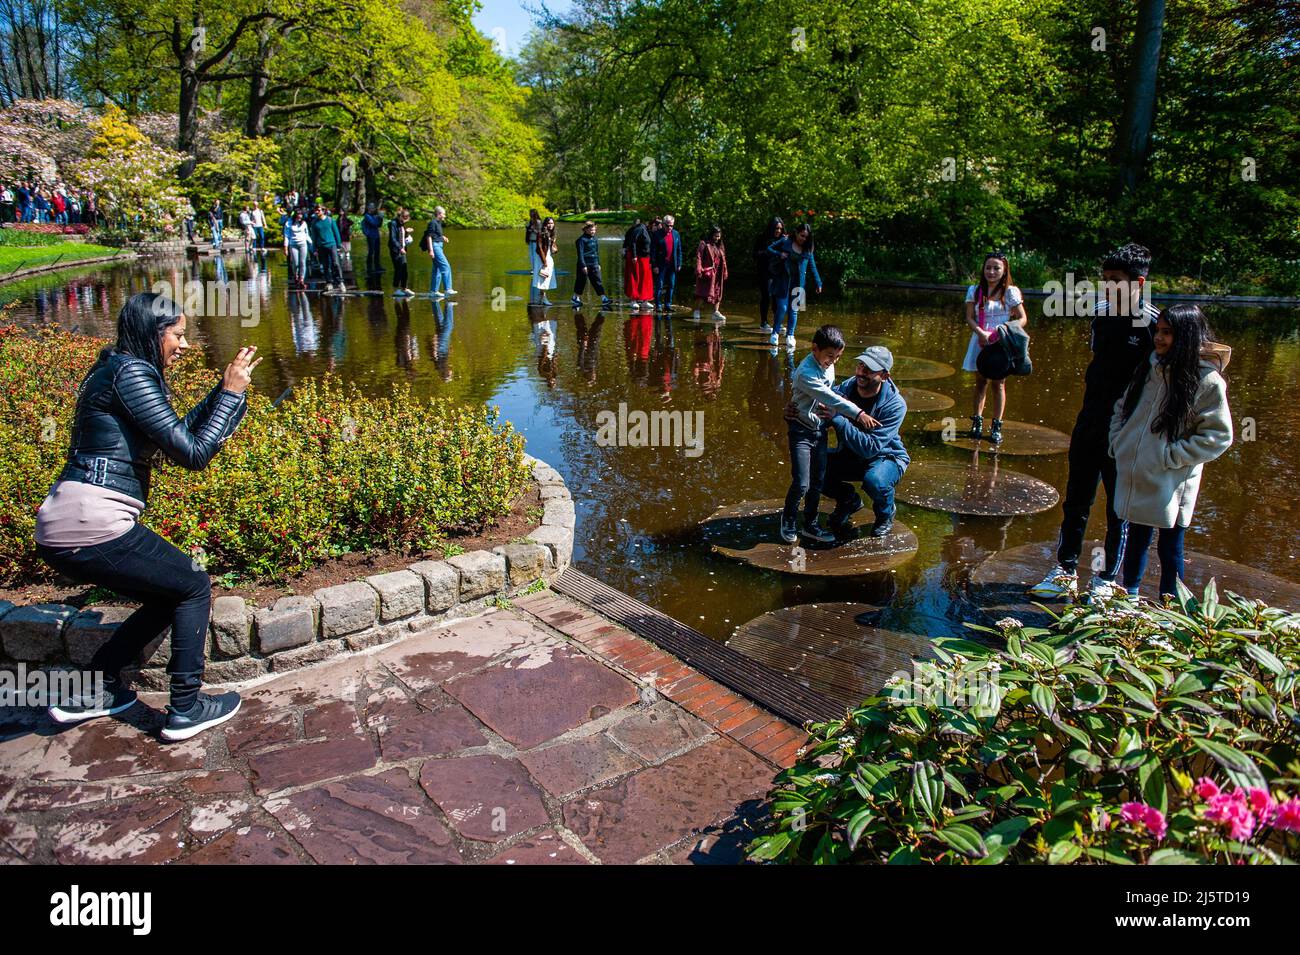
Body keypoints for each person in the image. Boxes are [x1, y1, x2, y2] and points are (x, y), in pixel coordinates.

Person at [33, 292, 258, 740]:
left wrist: (221, 389)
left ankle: (95, 688)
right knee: (194, 583)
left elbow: (173, 436)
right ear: (153, 333)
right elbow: (194, 454)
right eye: (178, 334)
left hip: (66, 524)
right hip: (93, 522)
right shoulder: (133, 372)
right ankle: (186, 707)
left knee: (166, 594)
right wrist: (231, 396)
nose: (185, 344)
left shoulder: (117, 368)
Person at [1032, 243, 1162, 600]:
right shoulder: (1101, 314)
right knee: (1076, 500)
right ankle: (1065, 569)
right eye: (1104, 279)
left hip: (1126, 431)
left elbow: (1160, 384)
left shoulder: (1152, 322)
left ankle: (1107, 579)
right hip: (1089, 421)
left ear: (1138, 283)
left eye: (1115, 280)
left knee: (1119, 509)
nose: (1106, 286)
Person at [1109, 305, 1232, 599]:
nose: (1159, 339)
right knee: (1137, 538)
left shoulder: (1206, 380)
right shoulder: (1150, 367)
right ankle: (1131, 598)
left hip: (1172, 482)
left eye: (1168, 333)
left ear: (1187, 336)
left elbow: (1218, 436)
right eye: (1158, 331)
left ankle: (1171, 608)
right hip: (1138, 473)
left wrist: (1171, 456)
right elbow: (1121, 408)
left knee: (1171, 546)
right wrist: (1118, 442)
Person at [780, 325, 884, 545]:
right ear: (815, 348)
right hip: (800, 430)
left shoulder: (827, 365)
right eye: (830, 356)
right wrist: (859, 413)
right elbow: (831, 398)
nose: (833, 361)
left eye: (838, 357)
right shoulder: (805, 373)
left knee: (818, 481)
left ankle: (810, 524)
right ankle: (788, 520)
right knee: (802, 482)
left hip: (819, 430)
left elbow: (833, 393)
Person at [819, 346, 910, 539]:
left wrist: (837, 418)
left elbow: (870, 448)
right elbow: (820, 408)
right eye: (861, 365)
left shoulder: (895, 405)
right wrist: (795, 412)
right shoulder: (846, 388)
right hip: (851, 454)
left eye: (869, 369)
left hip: (885, 457)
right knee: (812, 464)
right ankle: (848, 500)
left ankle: (886, 514)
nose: (861, 372)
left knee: (875, 481)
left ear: (885, 376)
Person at [962, 251, 1028, 446]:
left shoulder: (1010, 292)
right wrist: (981, 333)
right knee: (980, 383)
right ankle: (977, 422)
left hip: (1001, 343)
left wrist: (1004, 331)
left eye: (996, 268)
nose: (991, 271)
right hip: (980, 340)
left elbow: (1022, 318)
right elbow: (969, 317)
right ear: (983, 269)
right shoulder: (975, 290)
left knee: (998, 384)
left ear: (1004, 270)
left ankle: (996, 426)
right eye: (988, 267)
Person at [768, 223, 822, 348]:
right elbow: (770, 248)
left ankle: (790, 335)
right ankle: (775, 333)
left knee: (794, 311)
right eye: (802, 235)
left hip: (799, 284)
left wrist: (818, 282)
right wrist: (779, 254)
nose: (803, 239)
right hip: (783, 281)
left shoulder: (808, 249)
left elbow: (812, 266)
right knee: (782, 308)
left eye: (806, 237)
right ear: (796, 233)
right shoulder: (786, 241)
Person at [572, 220, 614, 310]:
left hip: (594, 263)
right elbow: (580, 254)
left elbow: (596, 252)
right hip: (584, 264)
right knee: (581, 281)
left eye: (594, 230)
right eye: (591, 230)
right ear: (586, 229)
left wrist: (598, 263)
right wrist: (583, 265)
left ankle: (604, 298)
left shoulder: (595, 239)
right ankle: (575, 297)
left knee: (597, 281)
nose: (593, 232)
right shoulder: (581, 240)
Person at [753, 216, 785, 334]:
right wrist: (768, 252)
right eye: (776, 228)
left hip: (778, 273)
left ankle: (778, 322)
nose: (778, 231)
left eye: (780, 229)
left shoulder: (783, 239)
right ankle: (764, 322)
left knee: (777, 298)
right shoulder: (762, 238)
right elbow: (755, 254)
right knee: (766, 296)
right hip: (764, 271)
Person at [693, 225, 729, 321]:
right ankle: (697, 310)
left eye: (718, 236)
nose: (717, 238)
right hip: (707, 272)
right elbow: (699, 256)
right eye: (715, 236)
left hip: (718, 272)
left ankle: (715, 312)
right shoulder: (704, 244)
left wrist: (725, 270)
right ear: (711, 235)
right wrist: (699, 268)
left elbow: (723, 259)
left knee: (717, 292)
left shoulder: (720, 245)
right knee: (702, 291)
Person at [652, 214, 683, 313]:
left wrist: (679, 263)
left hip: (672, 264)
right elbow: (653, 252)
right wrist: (654, 265)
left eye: (672, 226)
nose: (670, 228)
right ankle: (658, 305)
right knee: (659, 285)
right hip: (661, 264)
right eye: (668, 225)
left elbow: (679, 250)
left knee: (671, 285)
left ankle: (668, 304)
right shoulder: (657, 234)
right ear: (663, 224)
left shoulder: (676, 234)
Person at [423, 206, 456, 297]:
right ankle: (448, 289)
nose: (445, 216)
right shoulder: (432, 223)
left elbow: (435, 234)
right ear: (438, 214)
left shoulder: (438, 223)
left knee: (437, 269)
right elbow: (429, 237)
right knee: (446, 266)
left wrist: (443, 237)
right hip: (435, 246)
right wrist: (431, 250)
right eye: (443, 214)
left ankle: (434, 291)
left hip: (439, 245)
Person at [309, 205, 344, 291]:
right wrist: (314, 248)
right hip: (321, 246)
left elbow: (336, 233)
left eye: (318, 210)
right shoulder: (314, 223)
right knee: (325, 265)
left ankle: (340, 282)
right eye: (316, 210)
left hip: (332, 245)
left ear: (323, 211)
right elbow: (314, 236)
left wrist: (339, 245)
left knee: (335, 263)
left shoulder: (330, 220)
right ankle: (329, 282)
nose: (317, 212)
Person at [623, 217, 653, 310]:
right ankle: (633, 300)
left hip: (645, 257)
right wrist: (634, 256)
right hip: (638, 258)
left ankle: (644, 300)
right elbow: (633, 242)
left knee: (645, 279)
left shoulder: (646, 230)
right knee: (635, 277)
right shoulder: (640, 229)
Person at [532, 215, 559, 306]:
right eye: (548, 223)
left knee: (547, 276)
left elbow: (552, 248)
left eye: (552, 223)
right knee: (543, 277)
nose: (550, 225)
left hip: (548, 256)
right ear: (545, 224)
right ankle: (544, 298)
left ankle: (542, 297)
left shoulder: (551, 233)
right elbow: (539, 248)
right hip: (541, 256)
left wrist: (554, 247)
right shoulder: (541, 233)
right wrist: (544, 261)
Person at [283, 208, 312, 290]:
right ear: (295, 215)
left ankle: (302, 279)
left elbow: (307, 235)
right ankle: (296, 275)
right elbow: (286, 236)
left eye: (301, 215)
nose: (300, 216)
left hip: (303, 244)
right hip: (293, 245)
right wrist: (285, 248)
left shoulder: (304, 223)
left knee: (303, 262)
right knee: (295, 263)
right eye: (298, 214)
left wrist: (311, 243)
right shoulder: (288, 223)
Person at [389, 208, 414, 296]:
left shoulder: (402, 224)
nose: (406, 221)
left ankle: (404, 288)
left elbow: (402, 237)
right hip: (396, 250)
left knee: (404, 269)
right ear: (401, 216)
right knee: (398, 269)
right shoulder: (393, 224)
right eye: (405, 218)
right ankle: (396, 289)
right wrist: (400, 248)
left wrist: (406, 232)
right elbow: (393, 239)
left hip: (402, 250)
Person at [362, 204, 384, 274]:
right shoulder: (367, 216)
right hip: (371, 236)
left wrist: (381, 218)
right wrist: (379, 217)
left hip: (376, 235)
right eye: (372, 208)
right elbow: (374, 223)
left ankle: (377, 266)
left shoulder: (374, 216)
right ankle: (369, 267)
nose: (374, 209)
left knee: (377, 252)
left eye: (374, 208)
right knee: (371, 252)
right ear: (369, 209)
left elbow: (379, 225)